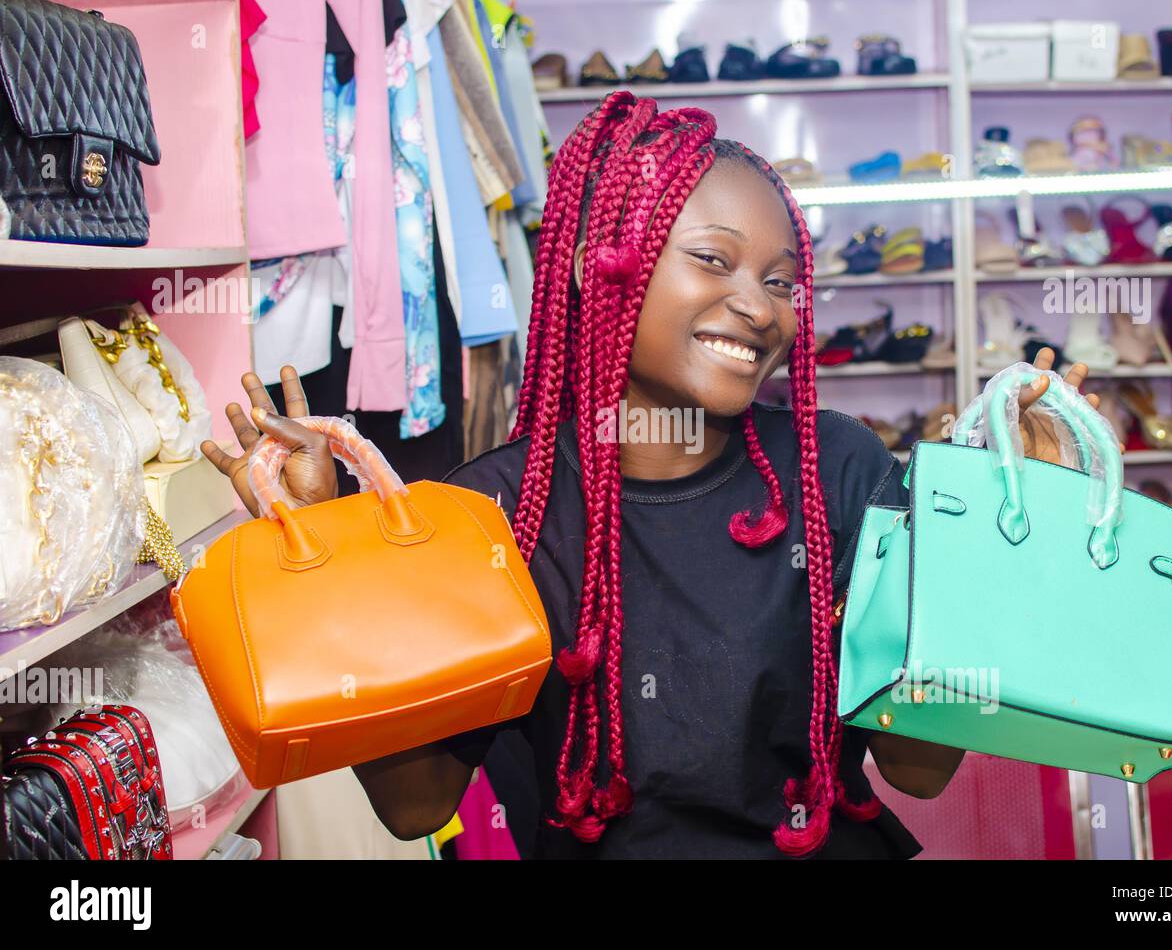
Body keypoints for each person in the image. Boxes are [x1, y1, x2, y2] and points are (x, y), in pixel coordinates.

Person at [201, 92, 1107, 859]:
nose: (759, 306)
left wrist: (989, 529)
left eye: (784, 280)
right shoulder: (489, 513)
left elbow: (917, 767)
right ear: (607, 264)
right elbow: (415, 807)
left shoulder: (840, 467)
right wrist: (327, 564)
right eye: (713, 259)